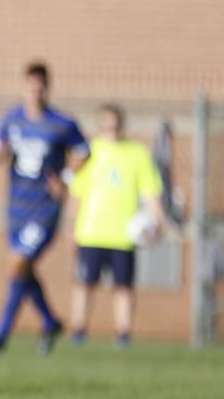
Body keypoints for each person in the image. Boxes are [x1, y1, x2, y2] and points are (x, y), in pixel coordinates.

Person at [0, 61, 90, 355]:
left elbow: (83, 152)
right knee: (20, 269)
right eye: (31, 87)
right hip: (17, 207)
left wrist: (66, 178)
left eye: (40, 87)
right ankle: (50, 320)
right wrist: (0, 153)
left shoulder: (61, 123)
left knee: (17, 263)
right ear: (24, 87)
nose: (35, 92)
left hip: (44, 210)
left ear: (47, 89)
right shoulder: (12, 119)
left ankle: (2, 334)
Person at [67, 104, 166, 348]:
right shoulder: (88, 153)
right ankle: (78, 330)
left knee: (123, 286)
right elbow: (76, 194)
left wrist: (159, 222)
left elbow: (150, 193)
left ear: (122, 126)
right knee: (84, 283)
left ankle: (123, 334)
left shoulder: (137, 154)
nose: (110, 130)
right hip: (91, 232)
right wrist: (71, 229)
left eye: (115, 125)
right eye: (106, 125)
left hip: (123, 234)